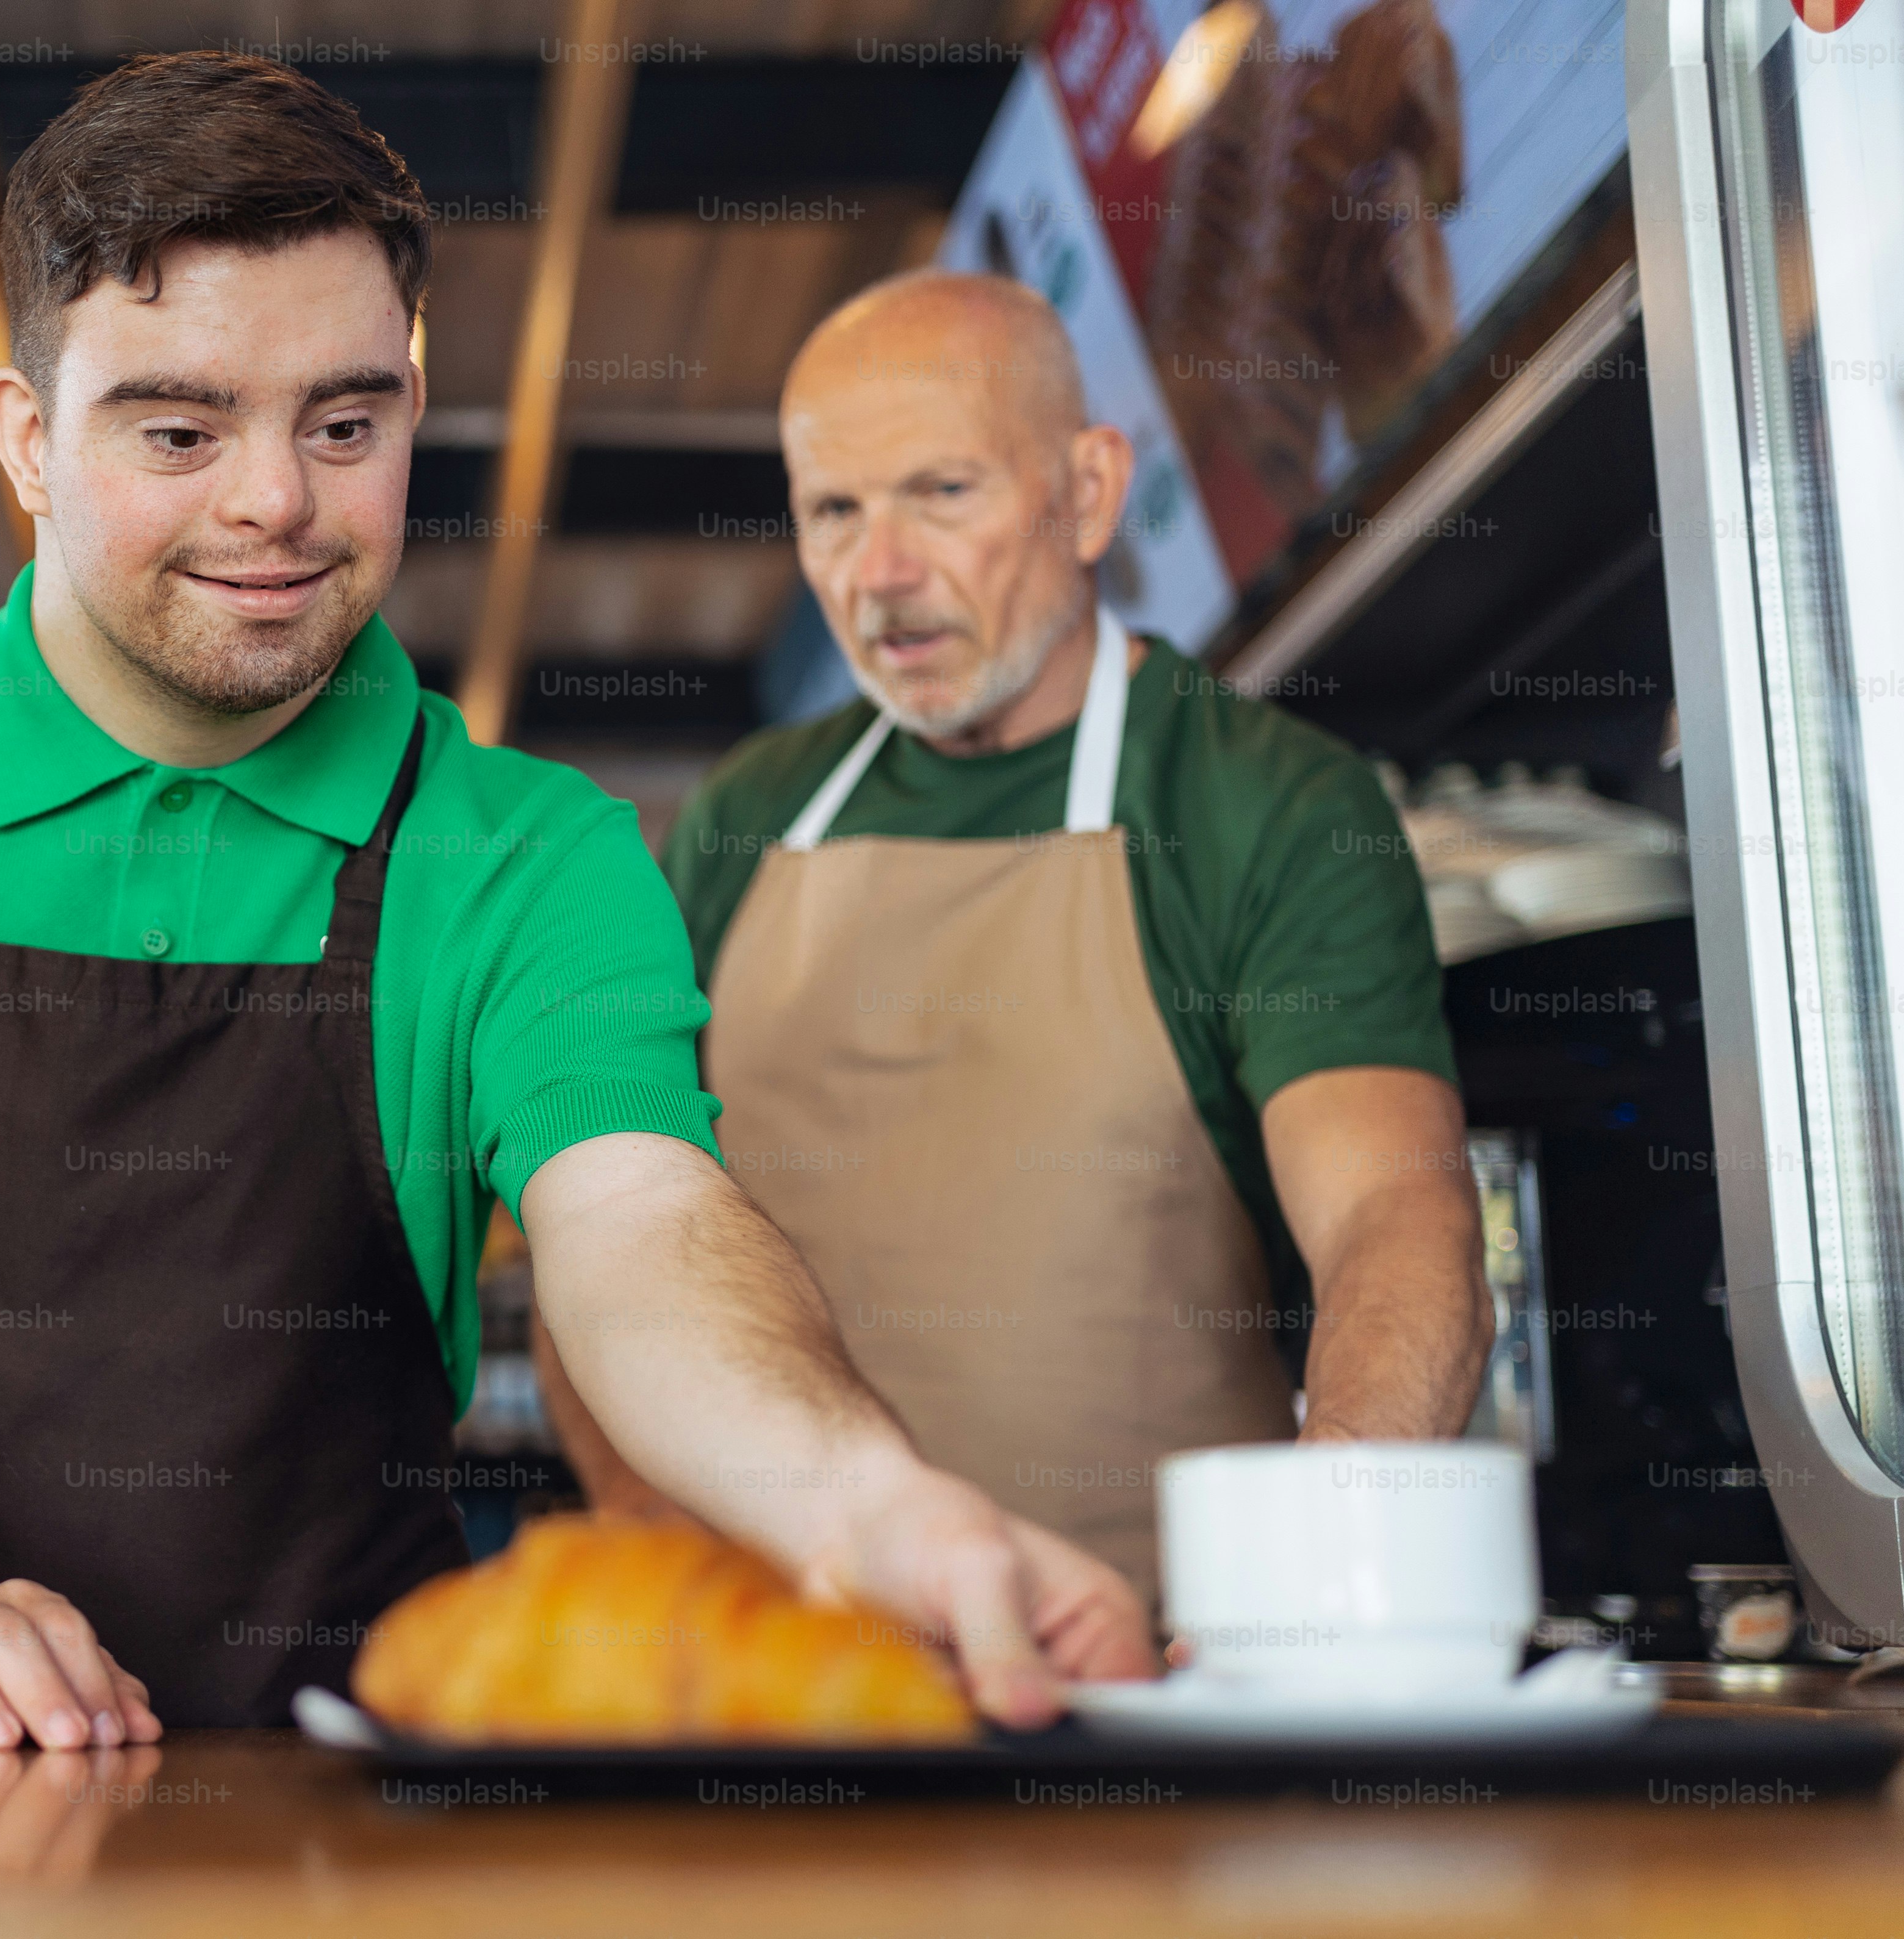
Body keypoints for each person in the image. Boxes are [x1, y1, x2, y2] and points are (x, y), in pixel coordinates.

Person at [0, 57, 1152, 1751]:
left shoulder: (520, 846)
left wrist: (864, 1506)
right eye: (180, 430)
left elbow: (642, 1230)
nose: (276, 503)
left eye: (346, 424)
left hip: (350, 1834)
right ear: (27, 442)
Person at [536, 271, 1492, 1605]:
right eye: (834, 512)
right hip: (804, 1682)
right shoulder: (747, 814)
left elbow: (1396, 1216)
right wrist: (664, 1556)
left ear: (1091, 494)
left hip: (1153, 1680)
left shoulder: (1261, 801)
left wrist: (1318, 1565)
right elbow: (594, 1226)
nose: (883, 575)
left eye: (943, 493)